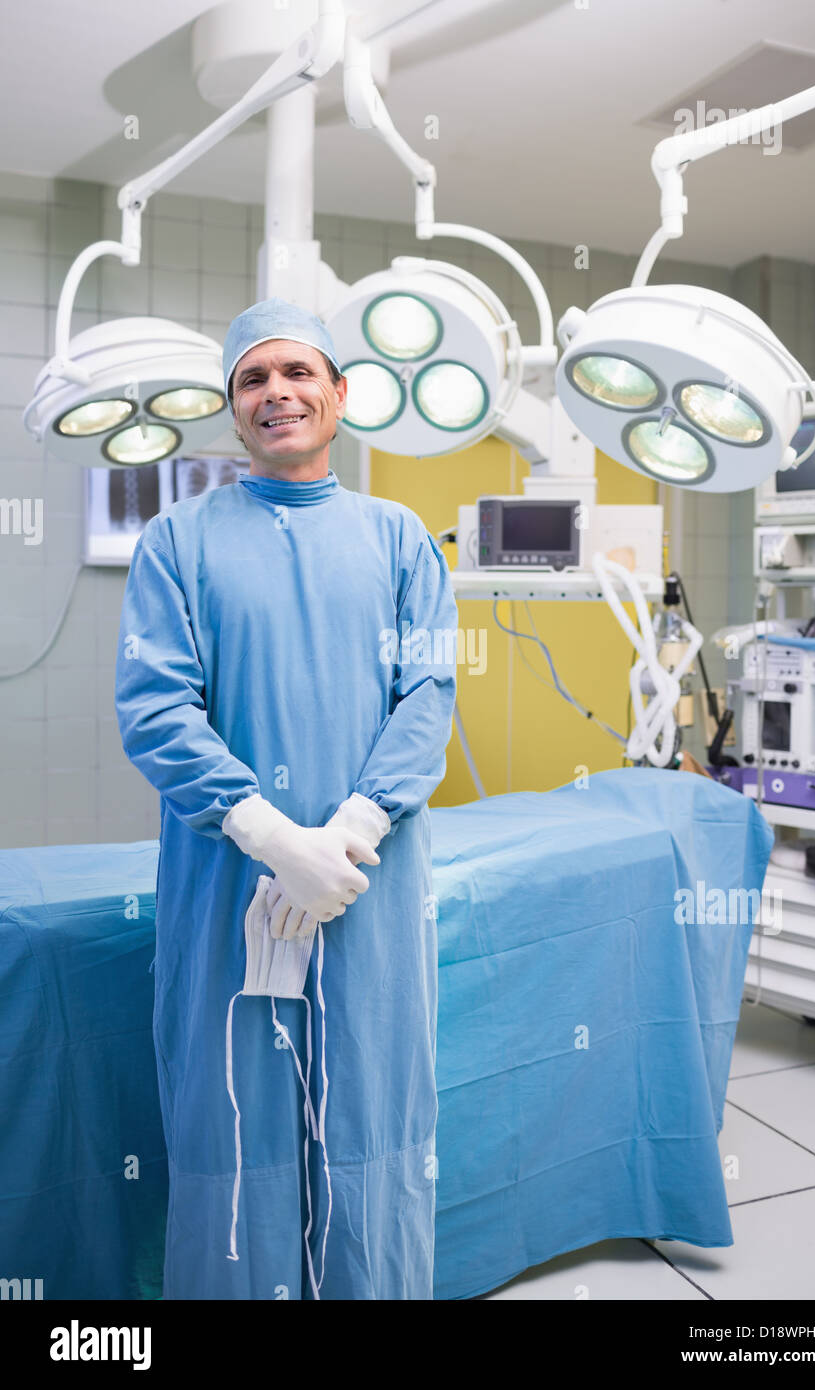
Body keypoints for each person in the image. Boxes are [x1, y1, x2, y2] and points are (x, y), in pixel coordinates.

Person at [115, 298, 458, 1299]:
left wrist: (350, 830)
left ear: (339, 395)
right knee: (236, 1126)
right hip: (229, 890)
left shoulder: (400, 541)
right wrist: (269, 835)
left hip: (371, 885)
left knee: (374, 1119)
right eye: (253, 380)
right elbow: (154, 707)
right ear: (233, 412)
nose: (277, 394)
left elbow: (427, 695)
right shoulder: (176, 541)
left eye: (297, 373)